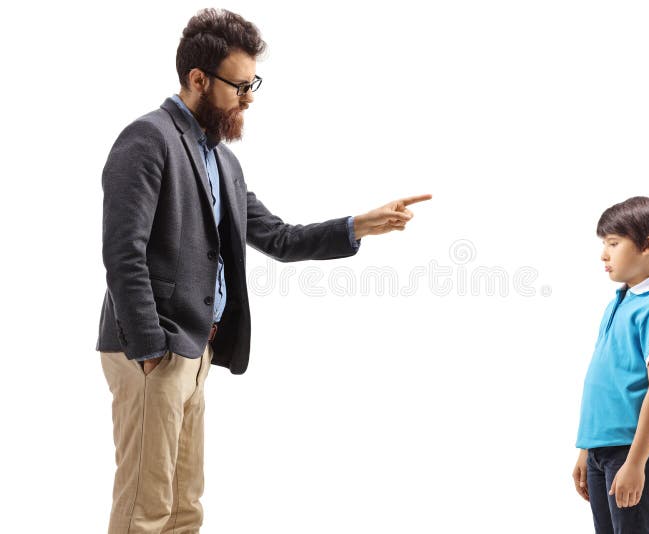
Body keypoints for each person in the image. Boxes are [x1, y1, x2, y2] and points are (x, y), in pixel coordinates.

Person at [96, 8, 431, 533]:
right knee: (146, 509)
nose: (249, 96)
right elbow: (122, 253)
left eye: (254, 83)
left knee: (185, 510)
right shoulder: (147, 139)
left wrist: (356, 226)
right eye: (238, 85)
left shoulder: (222, 161)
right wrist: (150, 349)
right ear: (198, 79)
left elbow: (278, 237)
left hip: (195, 350)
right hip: (154, 353)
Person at [572, 196, 649, 534]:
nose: (603, 254)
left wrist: (636, 462)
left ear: (647, 245)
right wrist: (586, 449)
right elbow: (604, 380)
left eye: (613, 243)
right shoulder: (621, 300)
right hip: (602, 447)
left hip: (635, 448)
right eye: (603, 243)